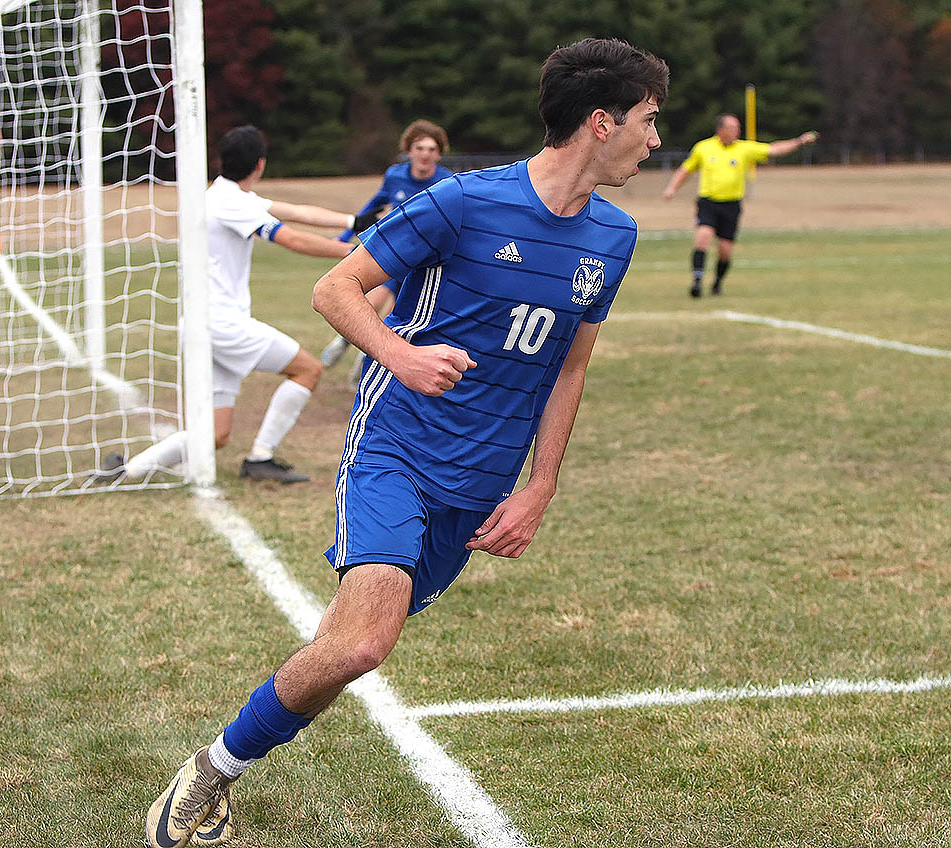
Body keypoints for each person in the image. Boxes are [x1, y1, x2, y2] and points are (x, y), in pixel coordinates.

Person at [143, 38, 669, 848]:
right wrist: (401, 355)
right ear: (602, 123)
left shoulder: (615, 236)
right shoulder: (462, 202)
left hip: (482, 483)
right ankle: (210, 773)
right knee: (363, 643)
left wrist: (540, 485)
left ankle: (239, 743)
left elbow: (570, 367)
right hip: (397, 446)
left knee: (348, 644)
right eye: (648, 119)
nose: (655, 139)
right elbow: (335, 288)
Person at [105, 125, 380, 485]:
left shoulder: (223, 194)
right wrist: (358, 253)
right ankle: (260, 457)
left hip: (204, 323)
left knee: (216, 434)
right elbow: (292, 238)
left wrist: (352, 221)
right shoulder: (233, 203)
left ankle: (125, 470)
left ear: (222, 160)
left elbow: (294, 211)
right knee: (308, 369)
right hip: (221, 324)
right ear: (260, 164)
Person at [319, 119, 453, 388]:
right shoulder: (395, 176)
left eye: (431, 149)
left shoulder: (447, 182)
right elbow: (375, 204)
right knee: (369, 302)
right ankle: (343, 340)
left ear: (439, 154)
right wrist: (345, 235)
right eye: (420, 148)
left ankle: (364, 363)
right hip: (394, 254)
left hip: (425, 262)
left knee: (395, 319)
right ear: (409, 150)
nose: (425, 154)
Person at [662, 113, 818, 297]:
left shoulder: (744, 149)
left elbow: (774, 149)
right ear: (720, 130)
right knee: (703, 238)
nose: (737, 131)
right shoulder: (703, 148)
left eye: (737, 127)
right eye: (732, 127)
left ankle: (717, 282)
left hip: (731, 205)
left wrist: (799, 141)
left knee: (725, 251)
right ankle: (697, 281)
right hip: (708, 203)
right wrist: (672, 188)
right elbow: (686, 170)